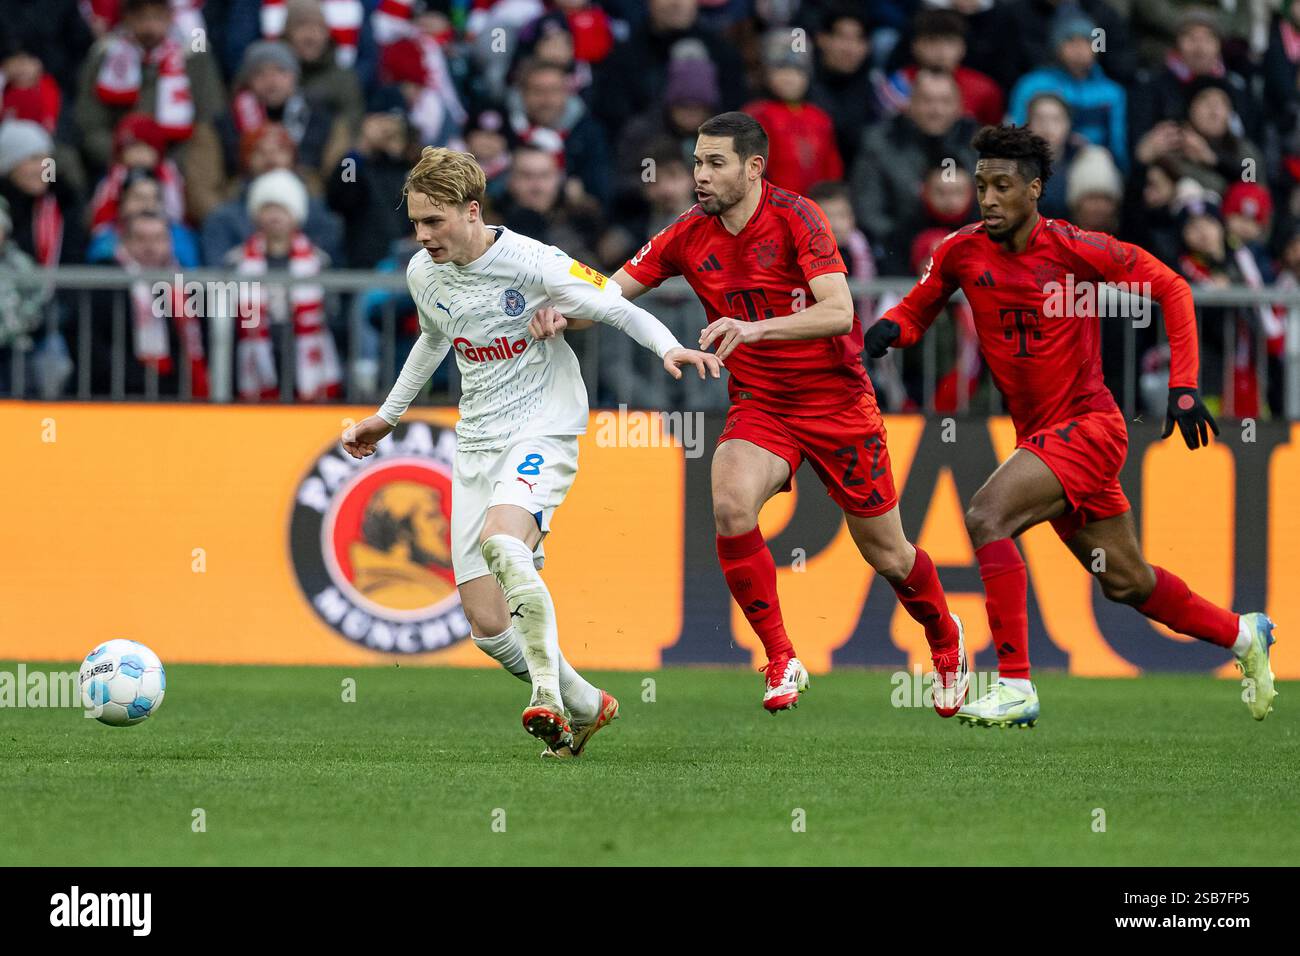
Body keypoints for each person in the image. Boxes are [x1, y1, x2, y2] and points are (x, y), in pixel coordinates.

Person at [542, 112, 970, 717]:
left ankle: (946, 639)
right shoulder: (687, 233)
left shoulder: (799, 217)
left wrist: (755, 329)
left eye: (715, 164)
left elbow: (839, 312)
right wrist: (559, 312)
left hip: (838, 403)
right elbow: (606, 297)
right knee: (730, 502)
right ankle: (780, 655)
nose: (700, 176)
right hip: (762, 405)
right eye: (696, 162)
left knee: (888, 553)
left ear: (753, 168)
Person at [865, 124, 1278, 727]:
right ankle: (1244, 635)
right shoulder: (962, 250)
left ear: (1034, 190)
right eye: (981, 185)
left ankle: (1015, 684)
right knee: (1127, 581)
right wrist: (890, 330)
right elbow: (918, 307)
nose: (988, 199)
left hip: (1089, 426)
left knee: (986, 516)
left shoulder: (1074, 248)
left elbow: (1171, 287)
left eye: (1003, 186)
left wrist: (1185, 387)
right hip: (1040, 440)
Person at [342, 147, 720, 756]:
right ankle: (588, 703)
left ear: (471, 211)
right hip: (478, 440)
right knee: (488, 626)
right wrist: (386, 418)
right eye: (416, 221)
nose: (424, 235)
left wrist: (668, 347)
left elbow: (614, 304)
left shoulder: (535, 262)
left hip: (543, 426)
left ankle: (544, 695)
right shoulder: (423, 272)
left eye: (435, 221)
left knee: (504, 543)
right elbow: (433, 341)